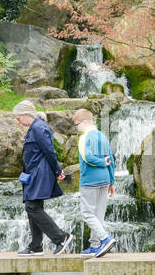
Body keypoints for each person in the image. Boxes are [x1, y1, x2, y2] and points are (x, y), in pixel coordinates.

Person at [13, 101, 73, 256]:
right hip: (34, 173)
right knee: (33, 206)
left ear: (27, 114)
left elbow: (49, 151)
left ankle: (61, 237)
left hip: (40, 172)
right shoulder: (34, 127)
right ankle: (36, 246)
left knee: (31, 207)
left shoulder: (38, 128)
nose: (18, 121)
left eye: (19, 118)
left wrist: (57, 170)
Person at [74, 109, 116, 257]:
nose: (76, 128)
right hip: (104, 180)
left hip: (89, 180)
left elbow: (87, 157)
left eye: (77, 124)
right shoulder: (102, 136)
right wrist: (112, 181)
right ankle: (94, 245)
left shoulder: (85, 137)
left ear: (85, 122)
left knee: (87, 213)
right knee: (98, 214)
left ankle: (105, 239)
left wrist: (101, 162)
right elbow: (111, 159)